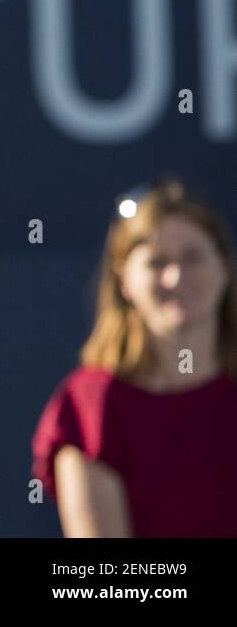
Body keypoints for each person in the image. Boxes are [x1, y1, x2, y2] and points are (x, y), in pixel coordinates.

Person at [32, 179, 237, 537]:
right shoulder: (91, 407)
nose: (176, 277)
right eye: (157, 262)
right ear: (124, 279)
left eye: (193, 257)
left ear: (224, 267)